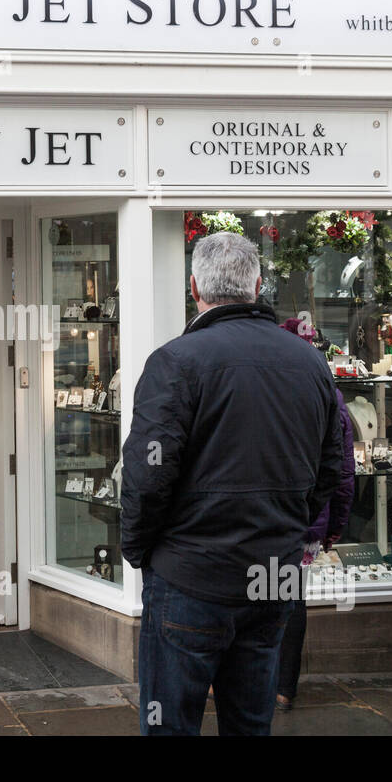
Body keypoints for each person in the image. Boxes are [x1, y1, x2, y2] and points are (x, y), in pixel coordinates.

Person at [121, 232, 343, 736]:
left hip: (191, 574)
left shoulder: (176, 361)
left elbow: (147, 475)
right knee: (249, 722)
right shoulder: (308, 361)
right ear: (258, 285)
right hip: (269, 573)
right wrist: (289, 526)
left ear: (193, 287)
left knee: (170, 724)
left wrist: (139, 549)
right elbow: (333, 466)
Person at [275, 317, 355, 713]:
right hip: (307, 520)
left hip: (265, 516)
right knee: (291, 598)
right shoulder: (329, 394)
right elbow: (342, 470)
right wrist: (336, 523)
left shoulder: (266, 390)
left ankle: (256, 679)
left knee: (253, 593)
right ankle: (284, 686)